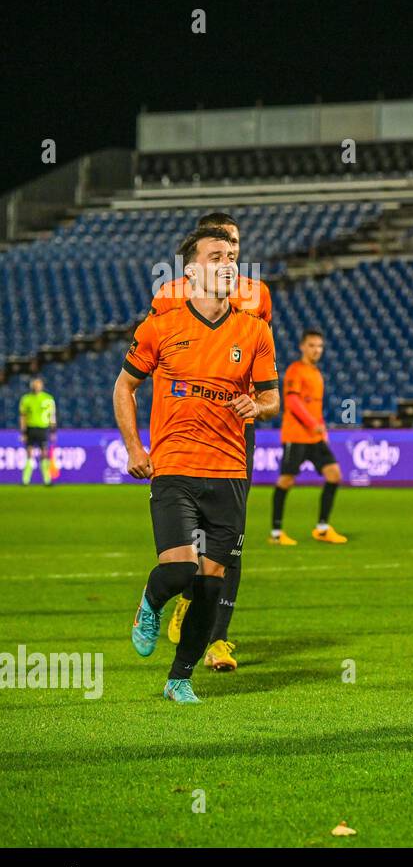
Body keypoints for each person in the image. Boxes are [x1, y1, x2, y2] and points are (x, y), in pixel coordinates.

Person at [113, 226, 279, 702]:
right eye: (215, 256)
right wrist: (134, 449)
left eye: (233, 256)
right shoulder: (161, 327)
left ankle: (179, 679)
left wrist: (259, 407)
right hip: (174, 468)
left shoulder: (255, 332)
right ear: (191, 271)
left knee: (211, 582)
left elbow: (270, 397)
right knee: (182, 571)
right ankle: (150, 602)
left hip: (229, 472)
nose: (228, 263)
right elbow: (124, 386)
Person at [161, 211, 273, 670]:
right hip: (187, 434)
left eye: (236, 247)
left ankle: (219, 640)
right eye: (222, 245)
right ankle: (187, 593)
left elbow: (261, 355)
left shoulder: (257, 295)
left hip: (235, 430)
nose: (231, 254)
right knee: (190, 538)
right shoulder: (169, 296)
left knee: (233, 537)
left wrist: (258, 403)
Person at [271, 329, 348, 545]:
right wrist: (314, 425)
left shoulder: (316, 373)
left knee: (334, 474)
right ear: (302, 347)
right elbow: (292, 402)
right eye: (312, 345)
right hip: (296, 435)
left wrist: (322, 429)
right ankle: (276, 533)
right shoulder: (296, 371)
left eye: (319, 346)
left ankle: (322, 528)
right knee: (286, 480)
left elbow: (315, 407)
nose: (316, 350)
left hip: (314, 437)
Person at [18, 377, 56, 486]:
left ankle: (47, 480)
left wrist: (53, 431)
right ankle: (25, 480)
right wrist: (23, 432)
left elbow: (52, 416)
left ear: (42, 386)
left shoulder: (48, 399)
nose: (37, 386)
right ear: (32, 386)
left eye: (38, 384)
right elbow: (23, 417)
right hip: (30, 429)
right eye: (35, 384)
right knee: (29, 454)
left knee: (44, 454)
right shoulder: (26, 399)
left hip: (43, 429)